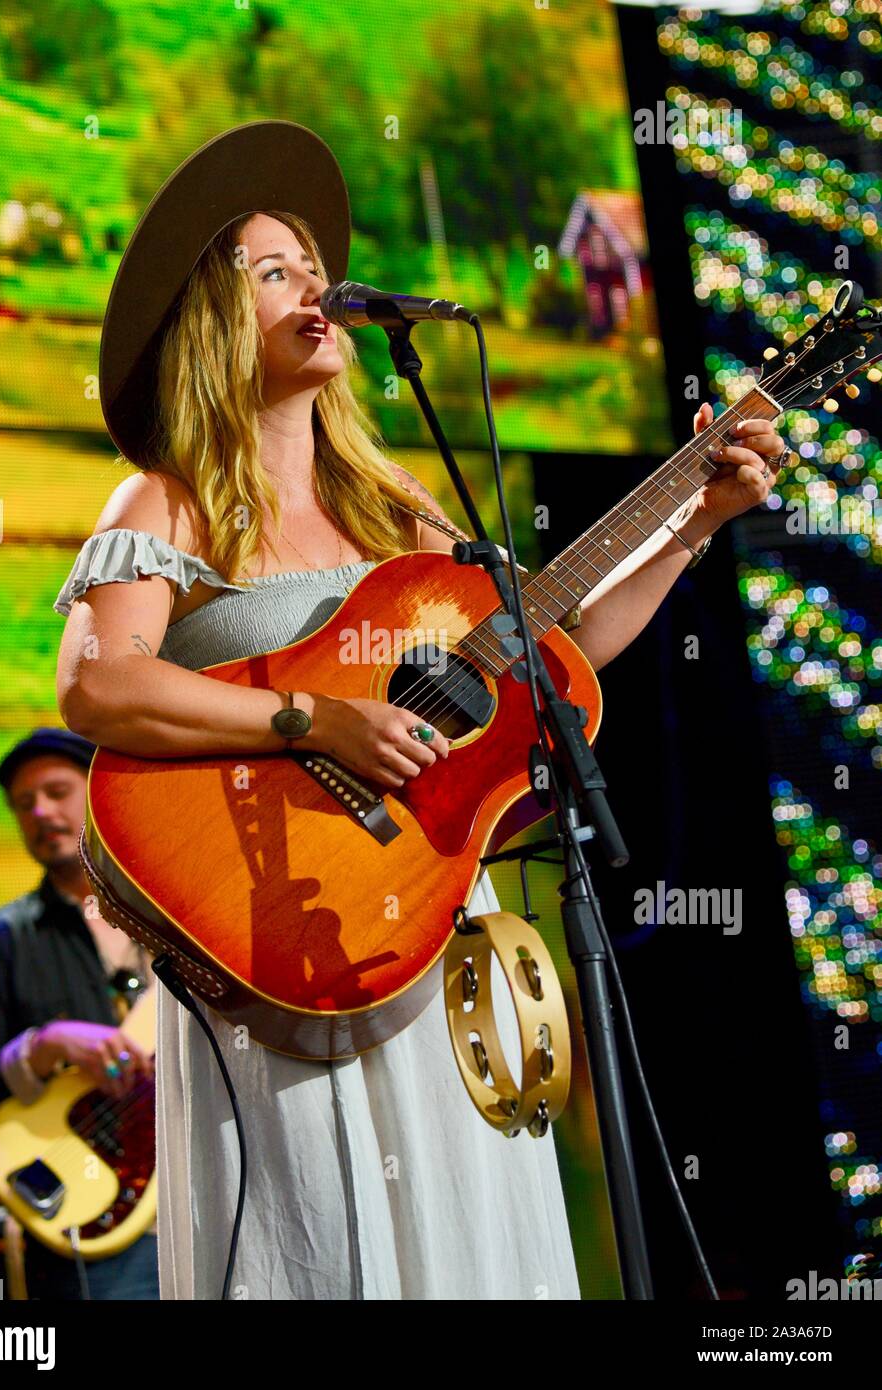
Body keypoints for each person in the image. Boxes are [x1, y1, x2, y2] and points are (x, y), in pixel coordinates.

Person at [52, 121, 787, 1299]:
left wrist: (692, 522)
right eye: (274, 271)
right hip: (272, 934)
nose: (317, 287)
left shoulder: (396, 504)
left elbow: (558, 651)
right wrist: (315, 721)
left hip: (431, 934)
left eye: (315, 265)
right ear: (210, 322)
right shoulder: (168, 500)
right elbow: (99, 683)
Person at [0, 727, 159, 1300]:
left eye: (57, 791)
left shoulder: (174, 918)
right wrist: (40, 1046)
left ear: (98, 791)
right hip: (96, 1228)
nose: (40, 812)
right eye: (23, 804)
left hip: (214, 1194)